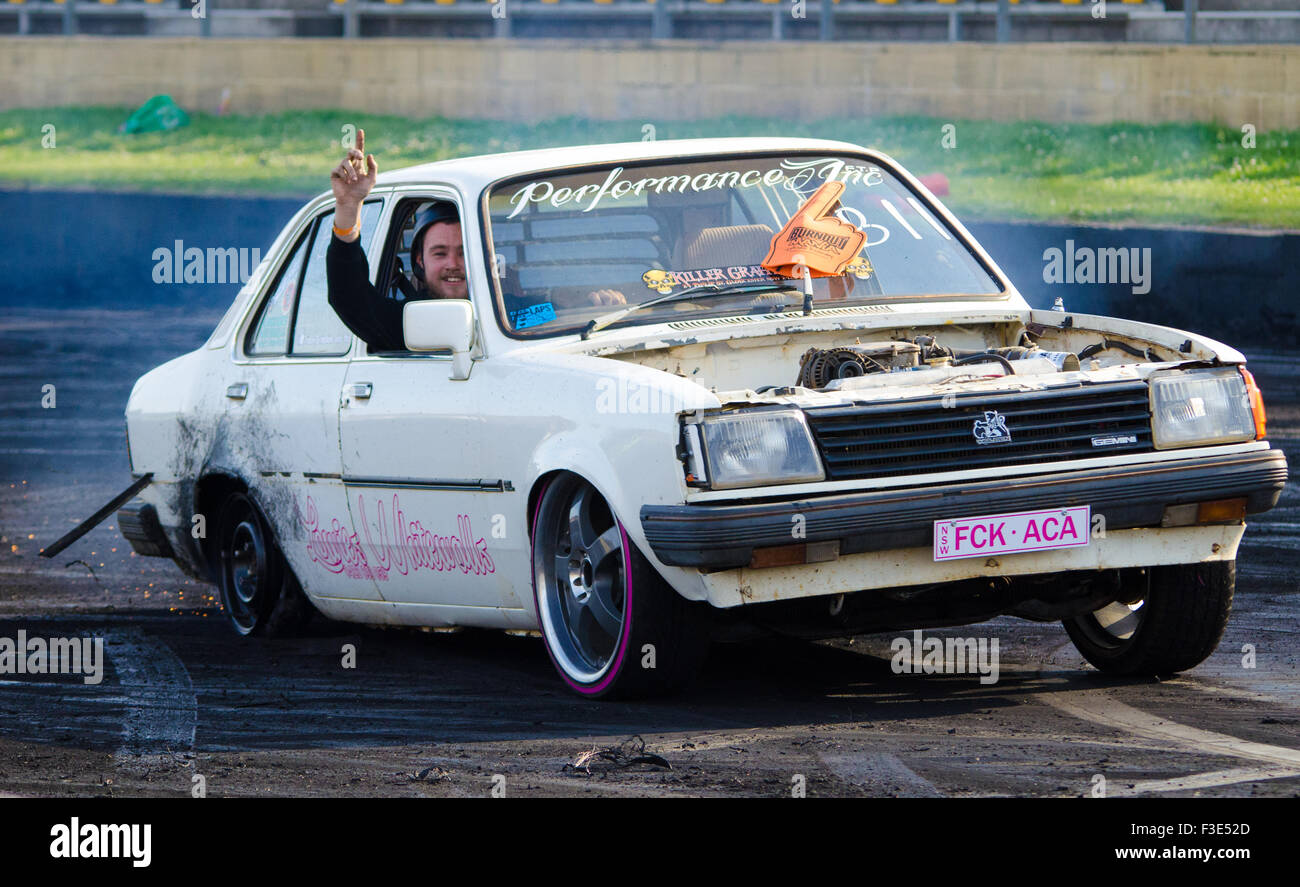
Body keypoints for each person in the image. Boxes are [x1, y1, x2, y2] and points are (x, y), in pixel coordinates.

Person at [326, 130, 624, 351]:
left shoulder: (516, 315)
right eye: (440, 253)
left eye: (464, 252)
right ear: (419, 260)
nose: (453, 265)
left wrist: (596, 306)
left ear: (484, 257)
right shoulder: (407, 322)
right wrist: (348, 209)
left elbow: (554, 317)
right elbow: (349, 298)